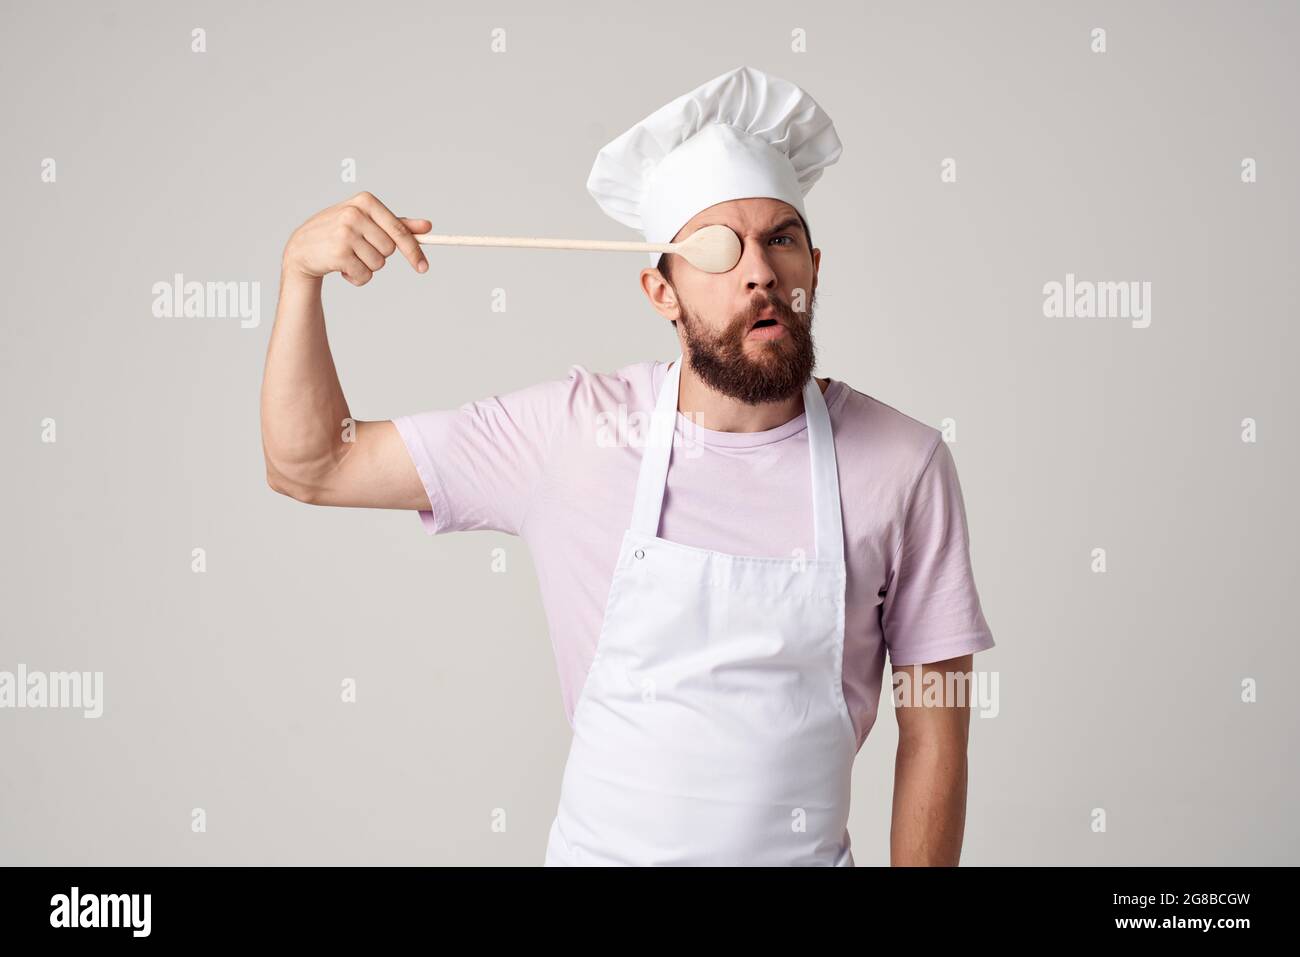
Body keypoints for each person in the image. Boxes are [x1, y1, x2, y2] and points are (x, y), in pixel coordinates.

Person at [260, 66, 995, 866]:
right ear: (661, 291)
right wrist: (301, 276)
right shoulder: (573, 434)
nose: (759, 271)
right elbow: (314, 463)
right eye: (718, 249)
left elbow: (935, 726)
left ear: (813, 269)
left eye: (781, 239)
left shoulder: (906, 463)